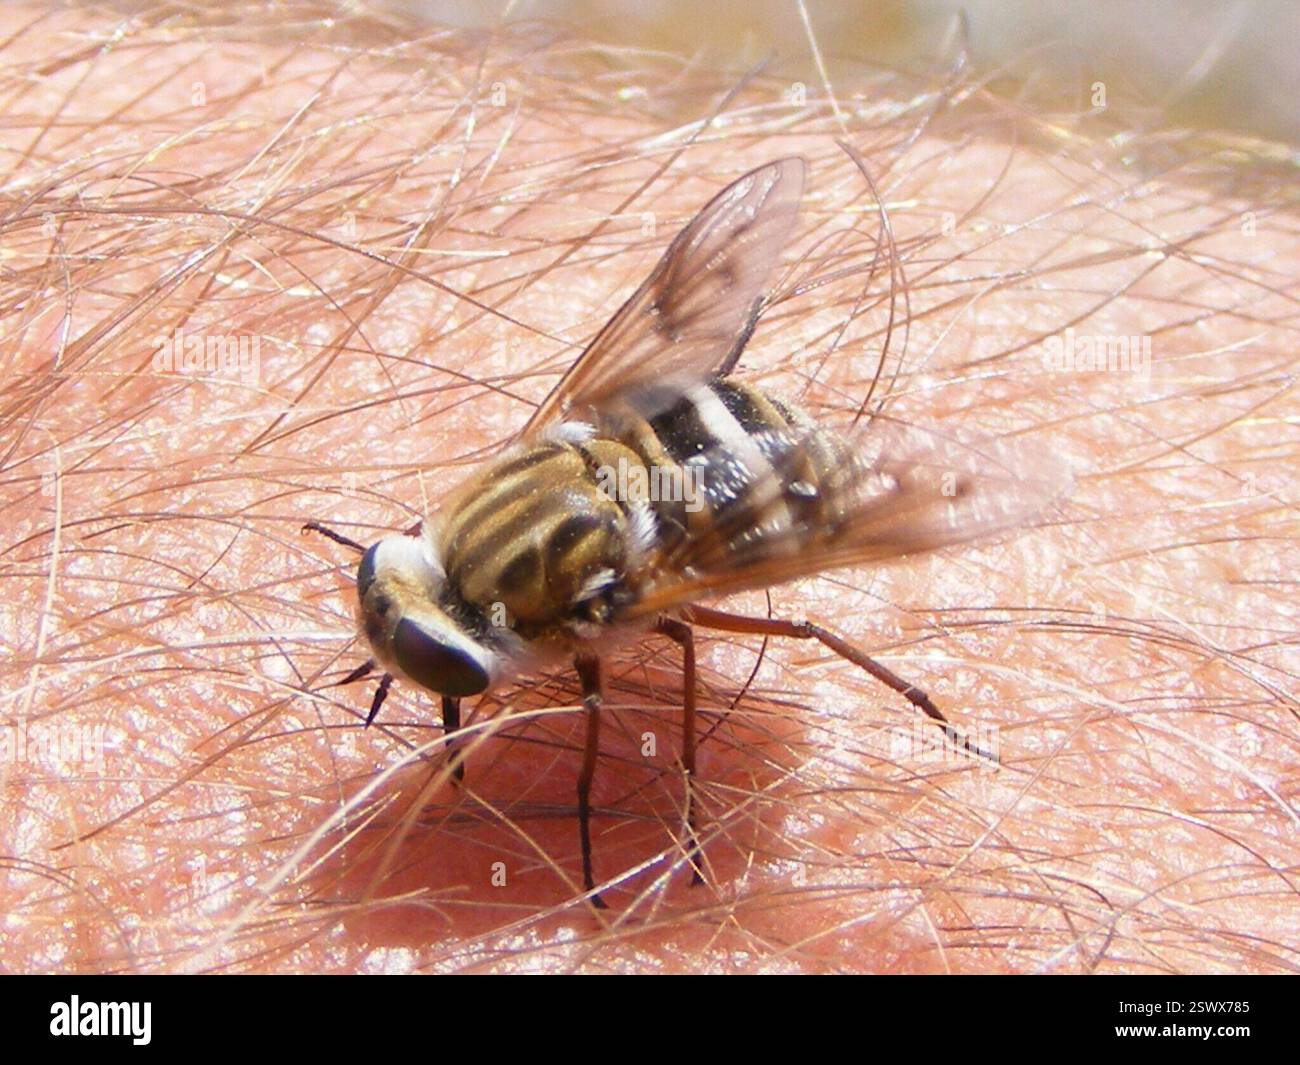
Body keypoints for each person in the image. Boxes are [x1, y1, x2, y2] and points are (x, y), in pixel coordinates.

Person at [2, 1, 1295, 973]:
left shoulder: (606, 604)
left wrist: (604, 802)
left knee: (781, 616)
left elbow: (667, 636)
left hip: (717, 487)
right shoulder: (482, 531)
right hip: (640, 420)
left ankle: (907, 702)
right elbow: (655, 342)